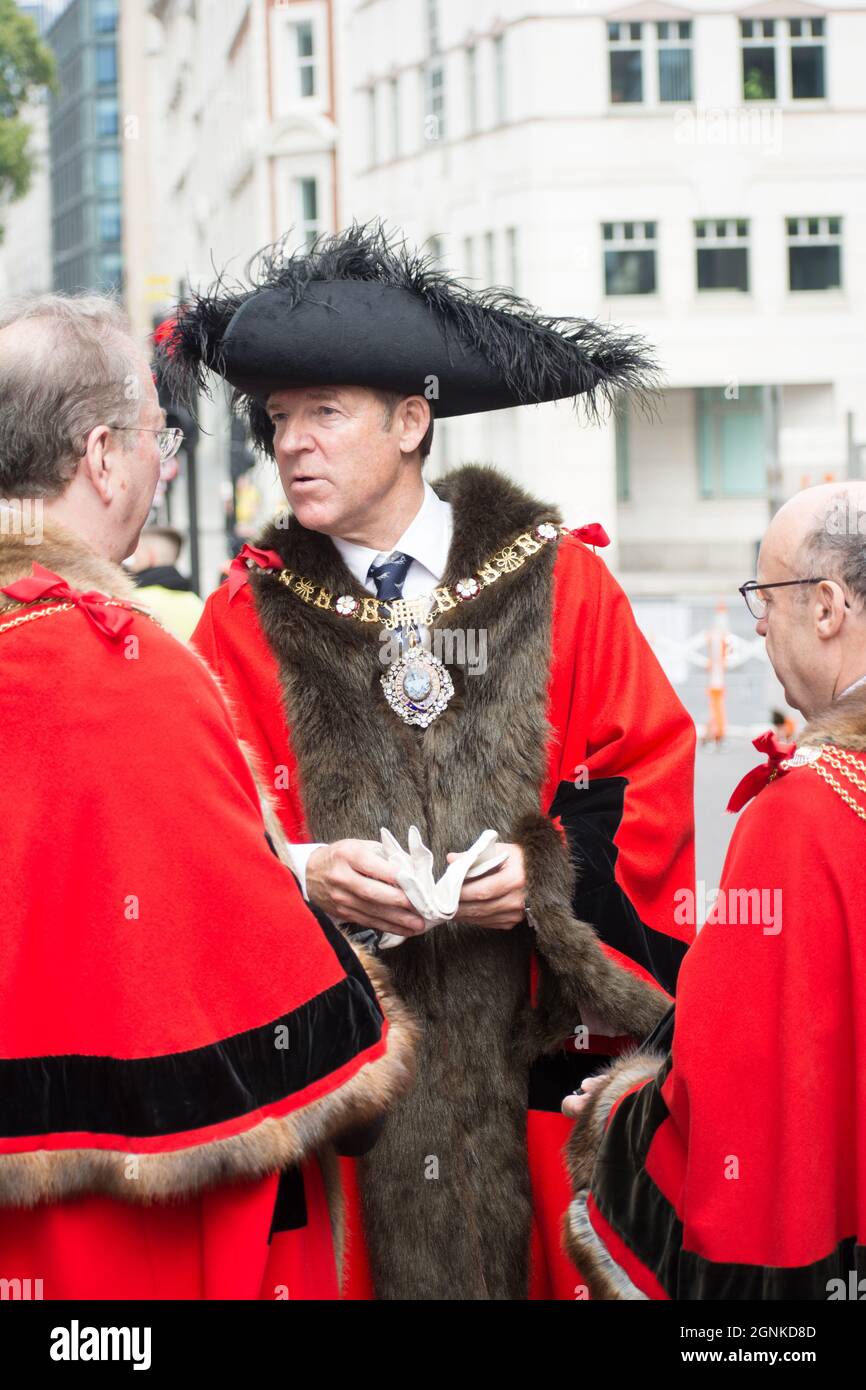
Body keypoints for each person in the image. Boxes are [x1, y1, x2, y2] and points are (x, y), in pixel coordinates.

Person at [161, 221, 696, 1300]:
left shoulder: (558, 585)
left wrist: (547, 880)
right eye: (276, 420)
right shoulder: (241, 618)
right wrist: (302, 872)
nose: (292, 445)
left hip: (531, 1078)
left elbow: (643, 782)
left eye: (324, 412)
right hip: (351, 1102)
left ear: (412, 421)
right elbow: (194, 840)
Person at [0, 293, 415, 1300]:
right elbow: (256, 970)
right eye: (154, 435)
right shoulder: (124, 663)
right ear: (100, 455)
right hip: (115, 1240)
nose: (163, 460)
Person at [564, 481, 866, 1300]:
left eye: (764, 596)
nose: (756, 622)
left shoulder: (803, 811)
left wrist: (619, 1107)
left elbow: (726, 1088)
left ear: (830, 607)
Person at [127, 524, 204, 641]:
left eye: (135, 555)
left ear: (150, 556)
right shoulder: (197, 604)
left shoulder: (134, 601)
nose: (131, 562)